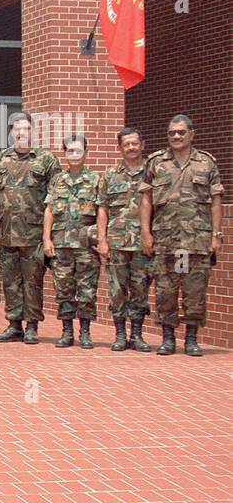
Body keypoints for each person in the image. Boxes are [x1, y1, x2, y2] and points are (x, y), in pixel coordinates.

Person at [139, 114, 224, 356]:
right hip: (167, 242)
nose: (176, 136)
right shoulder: (156, 162)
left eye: (181, 132)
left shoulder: (206, 163)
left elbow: (215, 201)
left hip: (195, 242)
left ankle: (191, 339)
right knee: (166, 290)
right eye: (172, 133)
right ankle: (168, 338)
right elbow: (146, 201)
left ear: (192, 134)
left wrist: (217, 235)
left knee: (194, 291)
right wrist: (146, 233)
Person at [0, 111, 60, 344]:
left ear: (33, 132)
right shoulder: (0, 159)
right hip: (7, 231)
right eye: (17, 129)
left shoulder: (46, 160)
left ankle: (32, 326)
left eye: (26, 129)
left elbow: (54, 196)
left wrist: (49, 234)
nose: (21, 133)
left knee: (32, 280)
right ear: (11, 133)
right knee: (10, 280)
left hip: (34, 232)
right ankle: (14, 324)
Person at [43, 135, 107, 349]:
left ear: (86, 152)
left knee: (87, 289)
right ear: (65, 154)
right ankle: (67, 331)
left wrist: (101, 237)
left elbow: (101, 212)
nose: (74, 154)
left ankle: (86, 332)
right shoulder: (57, 180)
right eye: (70, 151)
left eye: (78, 150)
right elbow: (50, 210)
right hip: (61, 245)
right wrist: (46, 239)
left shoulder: (96, 180)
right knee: (63, 289)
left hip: (86, 245)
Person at [103, 127, 153, 351]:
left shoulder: (153, 173)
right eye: (126, 144)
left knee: (141, 289)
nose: (131, 148)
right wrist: (102, 240)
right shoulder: (110, 175)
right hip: (117, 242)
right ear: (120, 148)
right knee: (117, 290)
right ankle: (120, 334)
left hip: (144, 244)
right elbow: (102, 209)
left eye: (135, 143)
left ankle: (138, 335)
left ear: (142, 145)